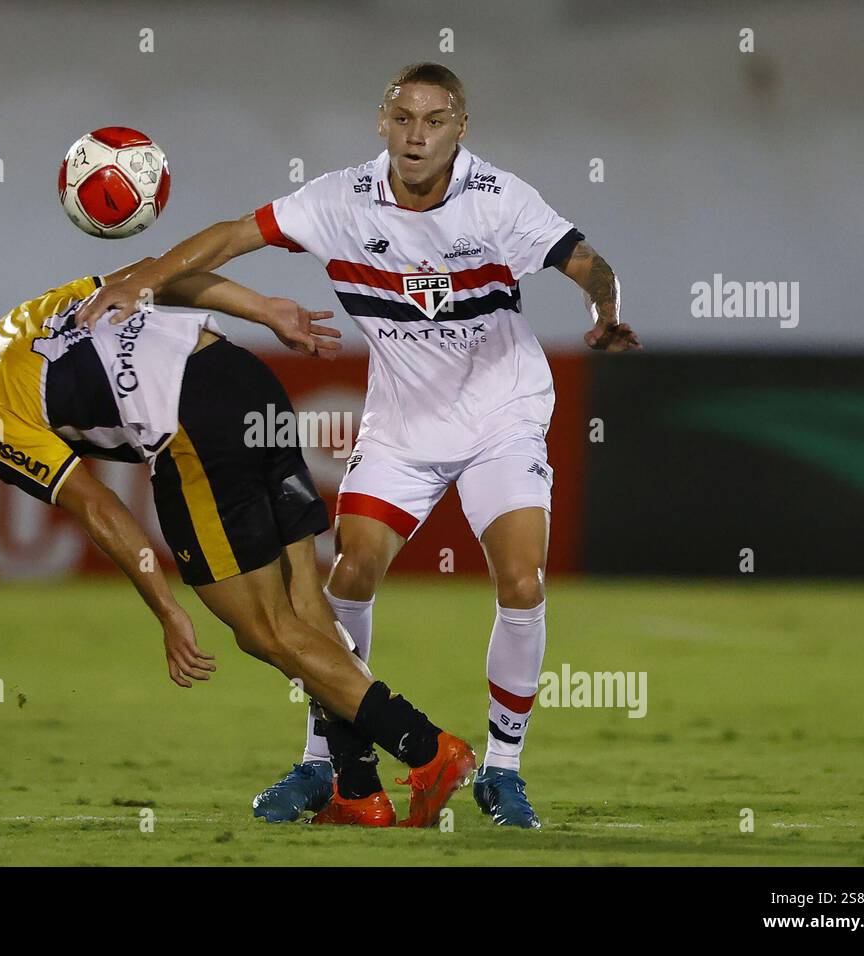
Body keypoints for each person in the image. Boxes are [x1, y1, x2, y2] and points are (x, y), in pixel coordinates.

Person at [76, 63, 641, 828]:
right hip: (402, 426)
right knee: (346, 578)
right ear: (382, 120)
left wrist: (605, 309)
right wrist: (144, 278)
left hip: (502, 414)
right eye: (403, 117)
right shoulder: (339, 199)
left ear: (460, 130)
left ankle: (503, 772)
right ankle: (327, 763)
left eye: (435, 120)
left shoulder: (499, 199)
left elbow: (586, 261)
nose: (417, 133)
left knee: (522, 582)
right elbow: (234, 235)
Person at [0, 260, 476, 827]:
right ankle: (359, 792)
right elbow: (157, 274)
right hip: (244, 378)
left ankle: (427, 749)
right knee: (306, 614)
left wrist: (167, 610)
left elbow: (99, 508)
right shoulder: (12, 326)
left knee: (264, 631)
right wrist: (263, 309)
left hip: (191, 426)